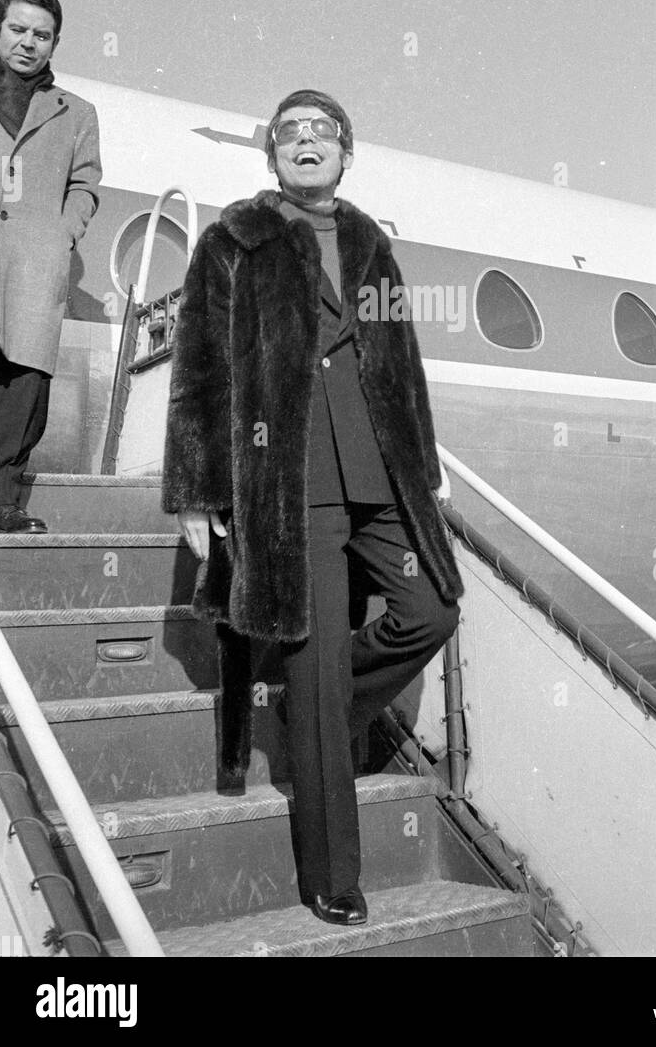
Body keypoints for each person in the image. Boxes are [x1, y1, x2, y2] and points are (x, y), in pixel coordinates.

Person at [162, 88, 462, 926]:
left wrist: (426, 463)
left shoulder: (371, 243)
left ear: (345, 153)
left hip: (381, 473)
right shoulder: (235, 241)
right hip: (291, 478)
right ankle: (332, 875)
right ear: (272, 158)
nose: (305, 144)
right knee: (319, 658)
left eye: (320, 134)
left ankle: (311, 705)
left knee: (433, 610)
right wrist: (196, 487)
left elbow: (401, 359)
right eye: (289, 135)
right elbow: (199, 367)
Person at [0, 0, 101, 533]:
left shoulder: (76, 112)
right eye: (18, 29)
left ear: (54, 43)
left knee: (20, 386)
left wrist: (62, 234)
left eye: (42, 35)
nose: (28, 43)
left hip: (33, 265)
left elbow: (86, 183)